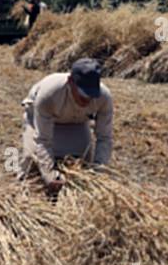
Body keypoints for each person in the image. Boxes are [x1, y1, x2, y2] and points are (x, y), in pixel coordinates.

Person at [18, 58, 113, 197]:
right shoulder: (49, 95)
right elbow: (43, 140)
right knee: (30, 159)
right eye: (83, 94)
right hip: (41, 118)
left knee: (85, 161)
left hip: (76, 122)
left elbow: (104, 138)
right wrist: (49, 175)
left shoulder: (104, 98)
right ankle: (22, 190)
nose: (86, 101)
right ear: (70, 83)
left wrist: (98, 173)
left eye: (91, 95)